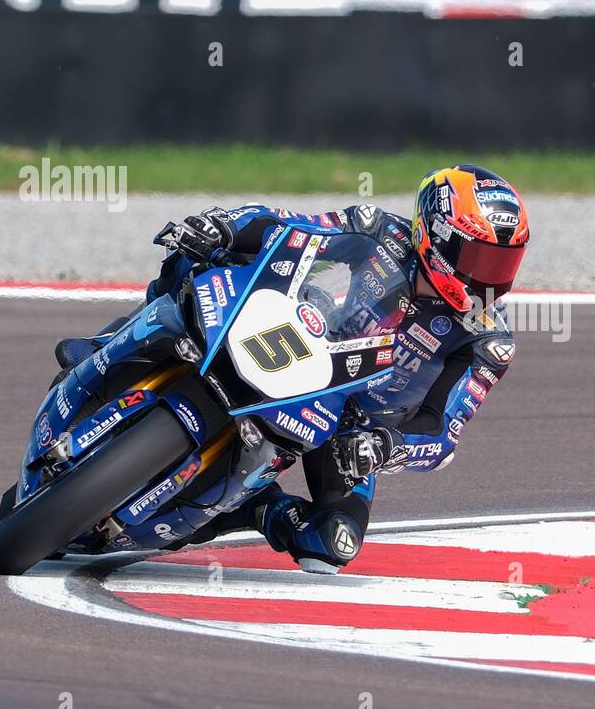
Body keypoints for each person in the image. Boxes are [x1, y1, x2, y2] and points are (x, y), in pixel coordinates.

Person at [56, 165, 529, 571]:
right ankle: (114, 340)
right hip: (299, 336)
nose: (489, 278)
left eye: (503, 264)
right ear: (437, 232)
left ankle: (259, 509)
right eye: (480, 258)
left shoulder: (488, 339)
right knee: (191, 257)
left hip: (350, 425)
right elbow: (286, 225)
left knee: (333, 544)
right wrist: (222, 228)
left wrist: (385, 447)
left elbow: (444, 434)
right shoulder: (374, 230)